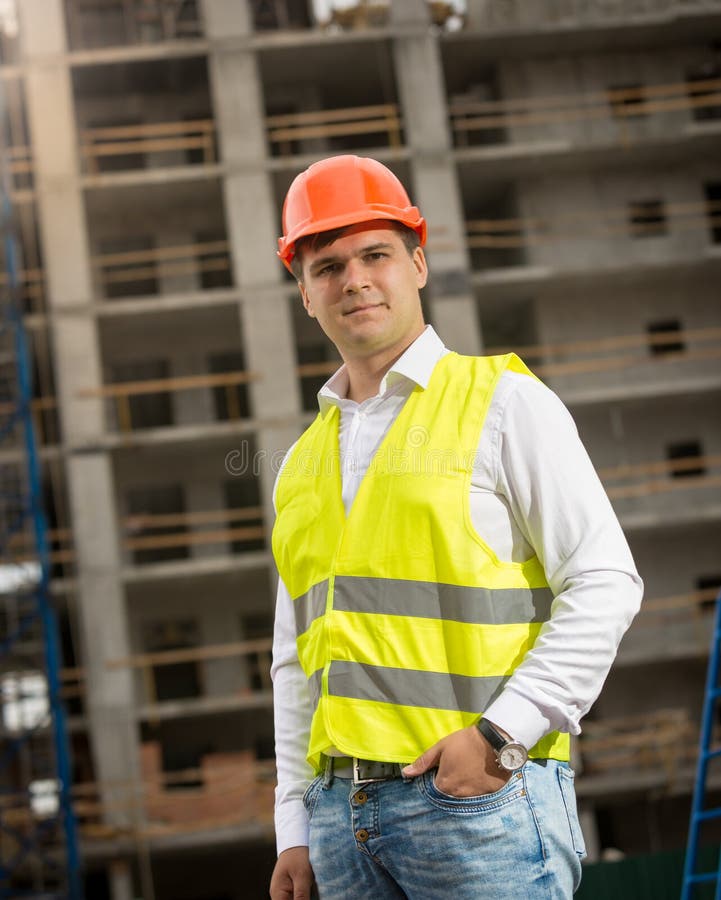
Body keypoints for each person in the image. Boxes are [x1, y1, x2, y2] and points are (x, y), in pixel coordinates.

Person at [269, 155, 642, 900]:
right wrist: (295, 827)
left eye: (375, 255)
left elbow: (604, 583)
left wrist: (499, 739)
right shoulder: (296, 465)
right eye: (327, 265)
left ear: (417, 263)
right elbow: (293, 662)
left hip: (477, 805)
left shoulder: (504, 403)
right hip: (340, 827)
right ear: (305, 293)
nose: (354, 280)